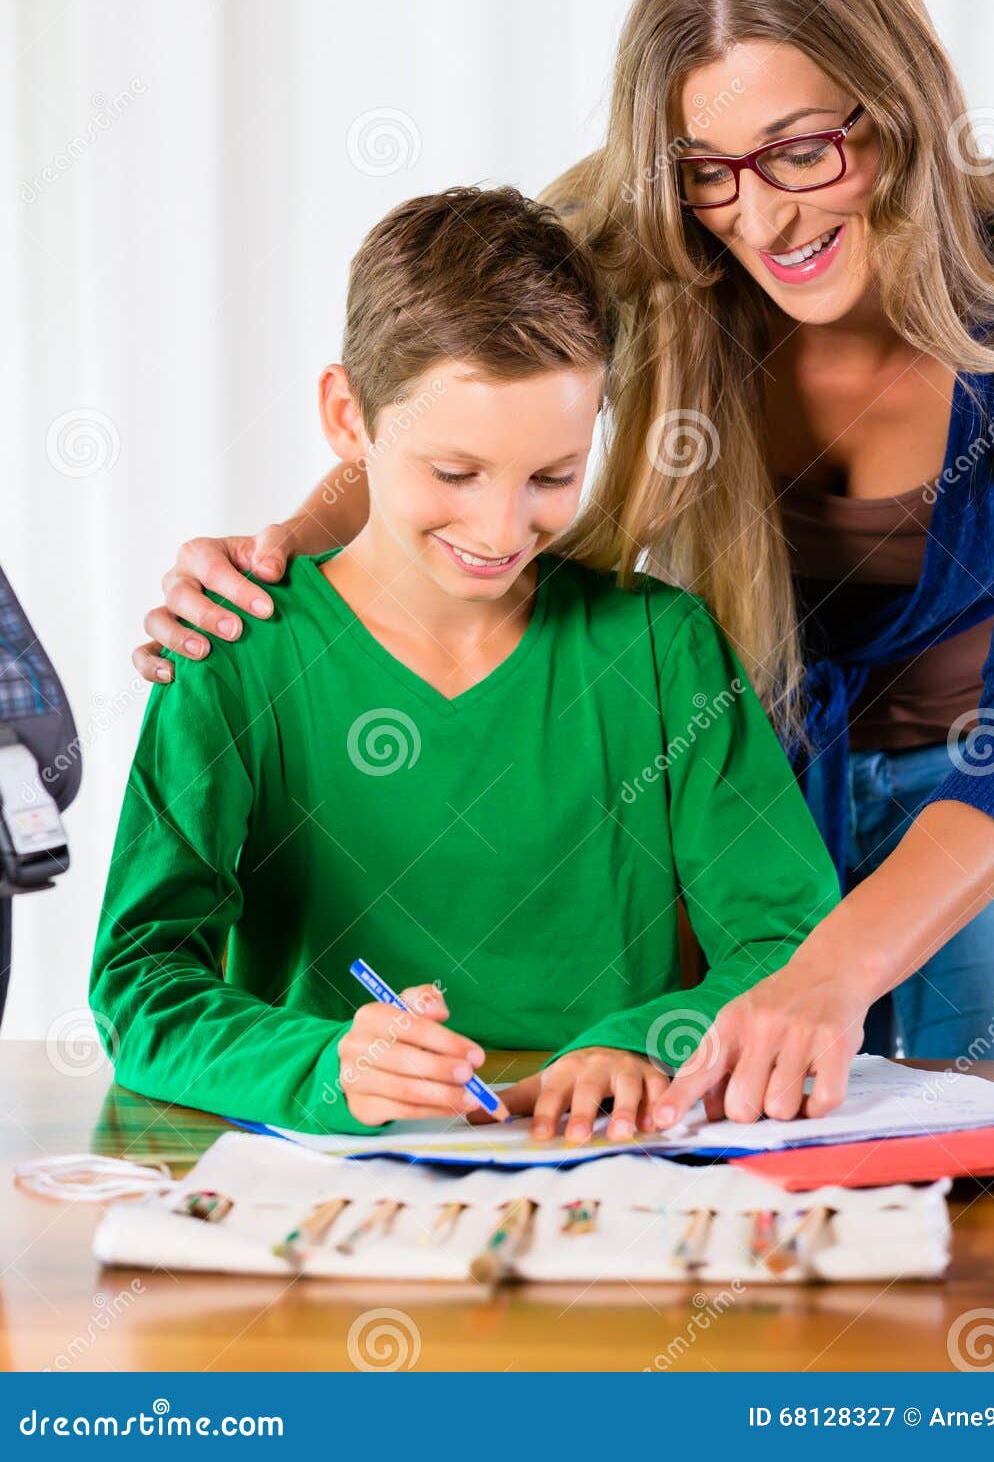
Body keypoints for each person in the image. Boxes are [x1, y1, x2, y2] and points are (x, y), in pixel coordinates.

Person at [133, 0, 994, 1123]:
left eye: (799, 151)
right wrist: (281, 554)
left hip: (991, 799)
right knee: (767, 1178)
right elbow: (447, 368)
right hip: (763, 779)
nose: (761, 218)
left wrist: (830, 970)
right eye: (706, 173)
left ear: (899, 105)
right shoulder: (643, 245)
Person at [91, 186, 843, 1140]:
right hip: (323, 1187)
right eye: (454, 474)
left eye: (553, 477)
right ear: (347, 417)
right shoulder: (232, 652)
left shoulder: (662, 650)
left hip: (608, 1170)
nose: (499, 530)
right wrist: (324, 1067)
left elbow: (793, 944)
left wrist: (644, 1041)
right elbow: (143, 983)